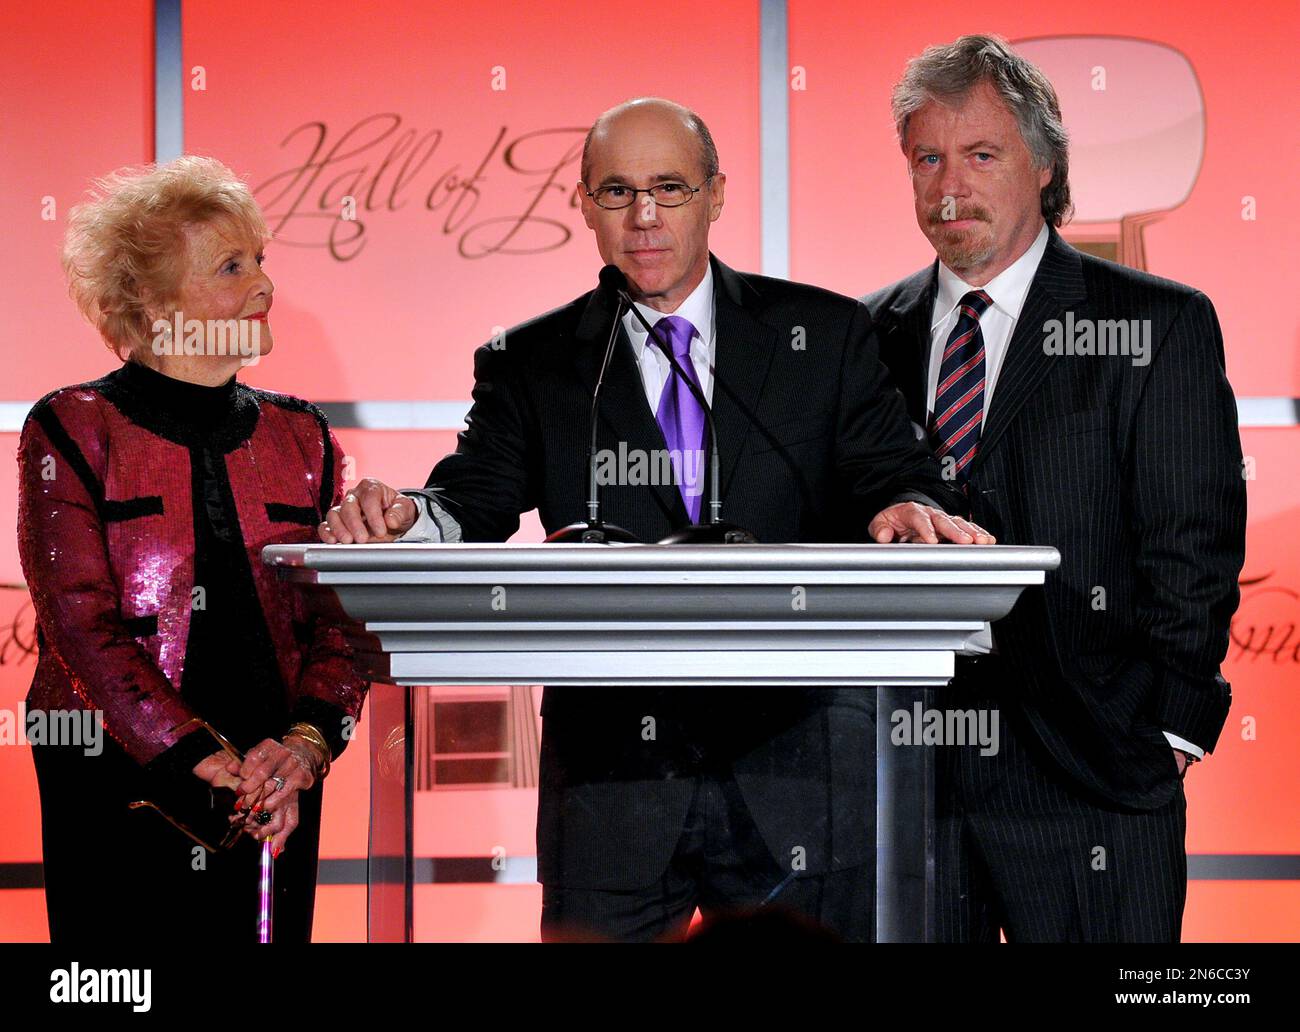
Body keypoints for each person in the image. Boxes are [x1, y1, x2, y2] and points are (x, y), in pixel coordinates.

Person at [321, 97, 993, 942]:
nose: (644, 216)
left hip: (799, 762)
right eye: (617, 192)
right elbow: (472, 501)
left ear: (716, 194)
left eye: (670, 188)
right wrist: (407, 518)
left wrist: (909, 504)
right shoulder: (534, 361)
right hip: (613, 781)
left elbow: (894, 473)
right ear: (584, 205)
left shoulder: (819, 333)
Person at [862, 35, 1246, 941]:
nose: (949, 185)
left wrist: (1167, 733)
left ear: (1043, 163)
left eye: (981, 154)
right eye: (928, 158)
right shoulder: (863, 336)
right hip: (912, 783)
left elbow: (1192, 546)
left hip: (1094, 778)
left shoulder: (1159, 325)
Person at [17, 156, 368, 942]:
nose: (265, 285)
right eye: (232, 266)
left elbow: (341, 622)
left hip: (273, 780)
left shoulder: (303, 435)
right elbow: (78, 622)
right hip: (116, 777)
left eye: (262, 260)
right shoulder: (73, 425)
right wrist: (195, 759)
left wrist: (305, 747)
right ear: (152, 300)